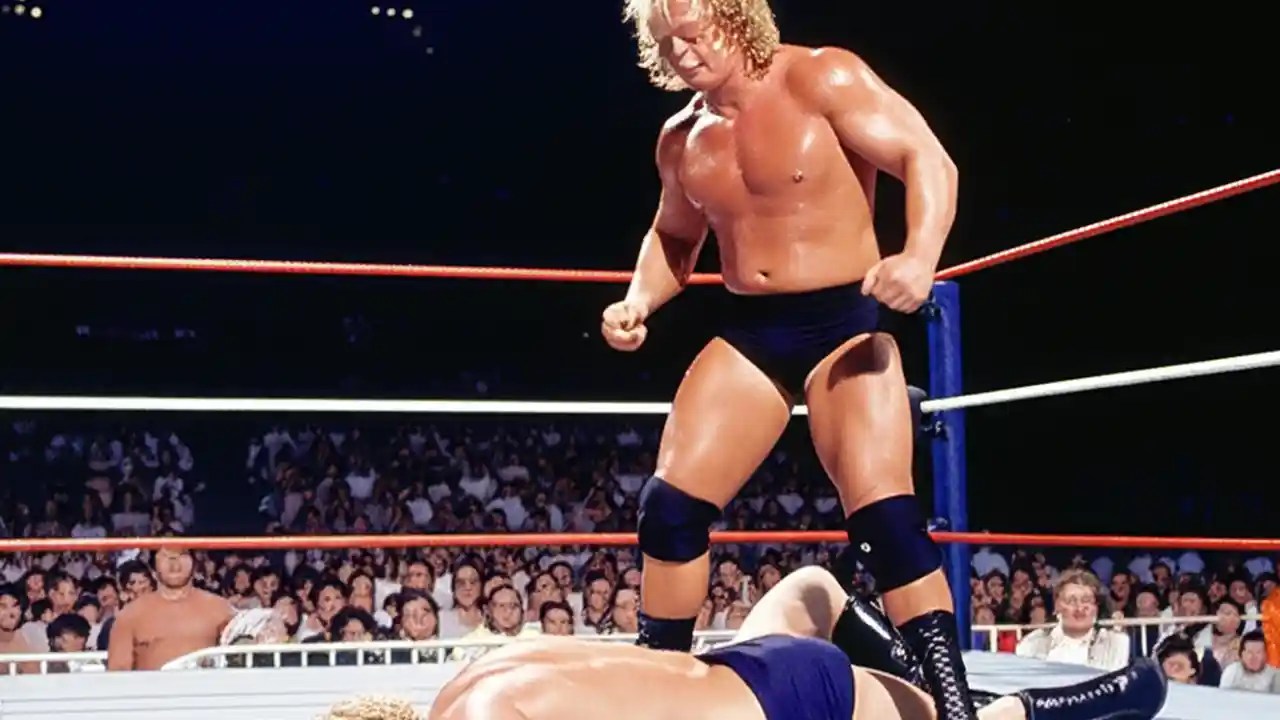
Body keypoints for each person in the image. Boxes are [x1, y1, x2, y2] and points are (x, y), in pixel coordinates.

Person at [602, 1, 970, 715]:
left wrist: (919, 257)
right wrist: (637, 301)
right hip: (753, 331)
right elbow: (674, 239)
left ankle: (952, 705)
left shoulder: (821, 77)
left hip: (844, 321)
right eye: (668, 43)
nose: (684, 53)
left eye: (696, 33)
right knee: (668, 511)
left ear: (737, 18)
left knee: (886, 520)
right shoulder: (682, 138)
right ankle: (660, 688)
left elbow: (926, 157)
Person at [428, 566, 1167, 720]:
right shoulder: (465, 690)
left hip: (794, 696)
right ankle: (945, 691)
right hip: (750, 668)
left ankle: (1120, 693)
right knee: (812, 585)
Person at [106, 540, 236, 671]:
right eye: (166, 556)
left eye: (182, 555)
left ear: (194, 563)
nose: (174, 564)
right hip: (150, 689)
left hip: (206, 688)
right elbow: (118, 674)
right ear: (153, 568)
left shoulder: (220, 608)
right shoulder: (130, 615)